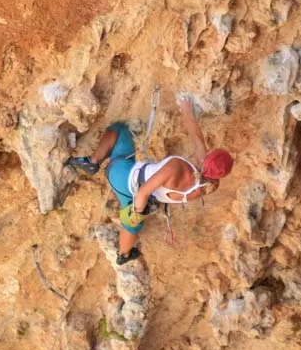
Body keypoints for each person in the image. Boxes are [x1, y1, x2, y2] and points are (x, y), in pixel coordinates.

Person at [65, 96, 233, 265]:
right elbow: (197, 136)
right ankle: (124, 254)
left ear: (207, 159)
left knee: (120, 130)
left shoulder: (176, 167)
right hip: (139, 193)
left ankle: (93, 162)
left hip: (122, 174)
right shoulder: (208, 187)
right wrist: (187, 110)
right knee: (131, 226)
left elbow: (143, 191)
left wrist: (136, 213)